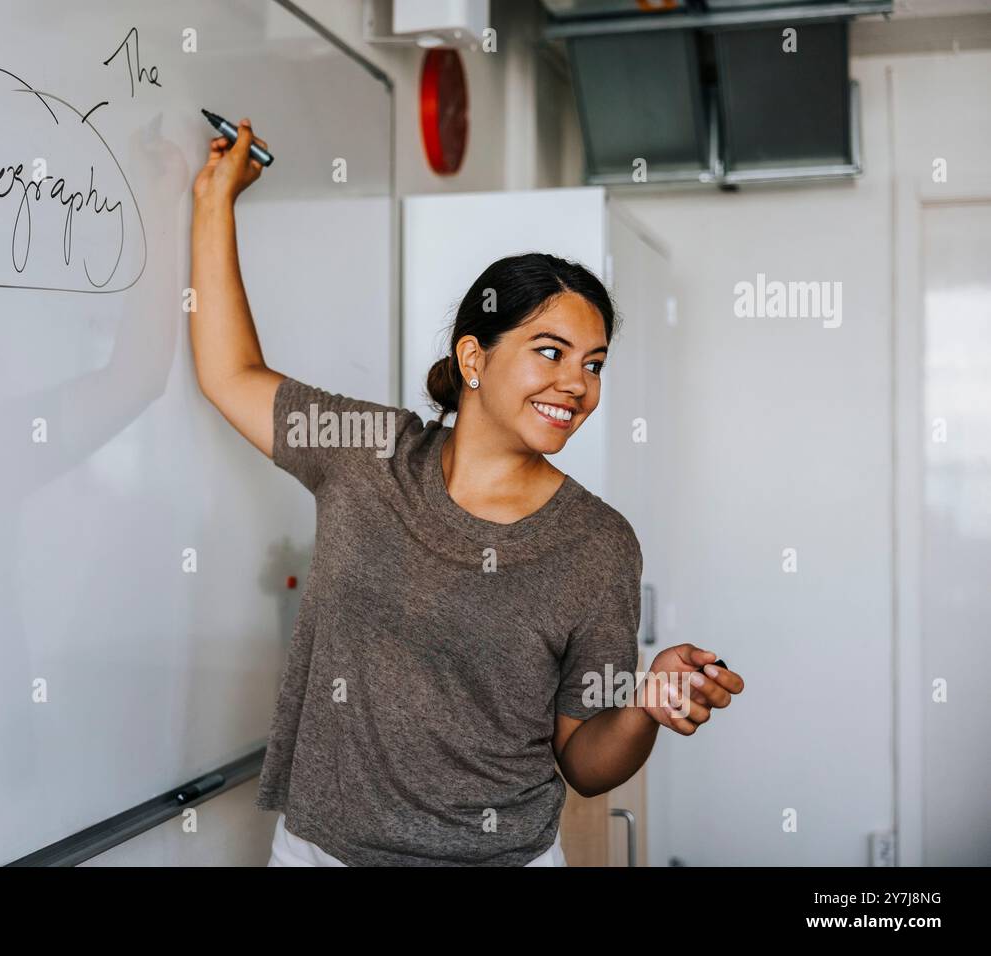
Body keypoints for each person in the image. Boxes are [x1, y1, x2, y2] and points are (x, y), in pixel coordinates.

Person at [190, 119, 745, 867]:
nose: (577, 385)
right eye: (550, 352)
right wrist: (214, 202)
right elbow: (232, 374)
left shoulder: (598, 543)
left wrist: (644, 706)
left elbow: (584, 761)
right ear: (474, 358)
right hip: (320, 855)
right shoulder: (369, 453)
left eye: (594, 364)